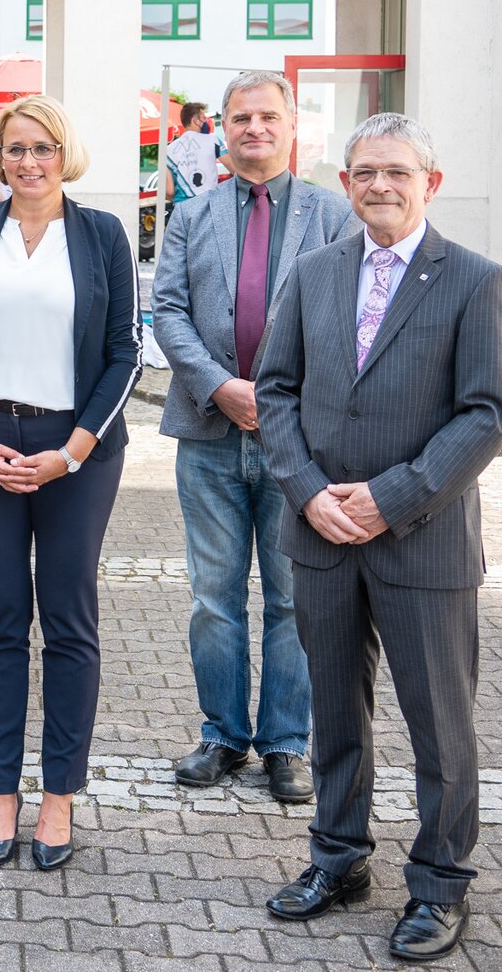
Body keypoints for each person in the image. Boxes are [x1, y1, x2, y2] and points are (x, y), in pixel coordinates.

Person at [255, 113, 502, 962]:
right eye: (364, 172)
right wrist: (308, 490)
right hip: (322, 533)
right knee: (335, 711)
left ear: (429, 181)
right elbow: (274, 389)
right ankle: (339, 860)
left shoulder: (474, 279)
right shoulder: (317, 272)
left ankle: (438, 885)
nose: (380, 186)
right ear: (346, 182)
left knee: (440, 724)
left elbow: (487, 412)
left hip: (421, 539)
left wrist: (392, 497)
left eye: (396, 172)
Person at [0, 95, 141, 871]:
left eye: (42, 147)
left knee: (70, 621)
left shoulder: (103, 233)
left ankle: (58, 797)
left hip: (75, 448)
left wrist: (74, 450)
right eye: (15, 148)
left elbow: (126, 351)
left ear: (63, 151)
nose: (29, 162)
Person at [152, 70, 356, 805]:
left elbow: (342, 322)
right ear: (223, 129)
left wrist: (274, 398)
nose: (254, 129)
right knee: (213, 596)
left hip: (295, 443)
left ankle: (285, 742)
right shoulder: (191, 215)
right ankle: (222, 734)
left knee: (293, 597)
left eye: (268, 116)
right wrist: (220, 386)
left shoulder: (333, 216)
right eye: (240, 118)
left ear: (292, 124)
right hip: (208, 434)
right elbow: (167, 310)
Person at [166, 101, 228, 195]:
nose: (206, 121)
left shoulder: (168, 150)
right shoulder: (213, 141)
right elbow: (234, 169)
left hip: (182, 206)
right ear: (195, 120)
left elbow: (169, 192)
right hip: (208, 203)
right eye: (204, 118)